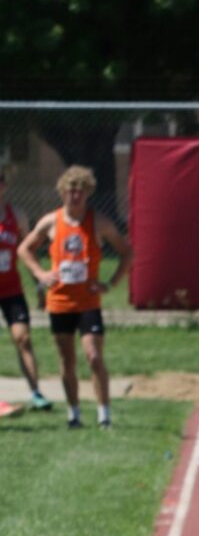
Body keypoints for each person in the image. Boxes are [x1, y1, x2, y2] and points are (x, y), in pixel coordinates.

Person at [17, 166, 131, 429]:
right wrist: (40, 273)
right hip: (60, 301)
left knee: (93, 355)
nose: (75, 196)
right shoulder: (51, 221)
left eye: (80, 191)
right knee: (66, 359)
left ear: (88, 193)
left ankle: (104, 415)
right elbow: (24, 249)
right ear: (62, 193)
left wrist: (111, 283)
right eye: (70, 191)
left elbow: (127, 252)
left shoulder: (98, 222)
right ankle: (74, 414)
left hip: (88, 301)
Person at [0, 167, 49, 410]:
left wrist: (39, 284)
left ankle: (36, 393)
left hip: (11, 289)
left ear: (4, 186)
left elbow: (27, 252)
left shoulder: (16, 216)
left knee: (23, 338)